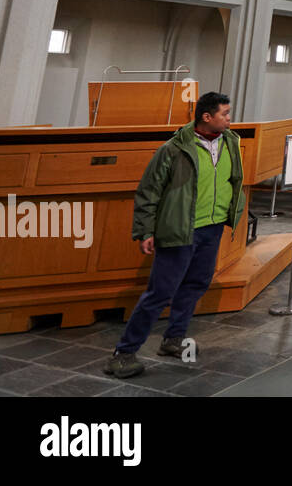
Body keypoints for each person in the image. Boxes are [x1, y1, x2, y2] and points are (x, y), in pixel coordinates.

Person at [105, 92, 245, 379]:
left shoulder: (231, 142)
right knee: (161, 292)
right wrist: (145, 230)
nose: (230, 118)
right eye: (225, 113)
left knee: (196, 284)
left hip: (213, 226)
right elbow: (149, 191)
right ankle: (124, 352)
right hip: (181, 228)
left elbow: (233, 180)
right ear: (207, 117)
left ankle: (173, 339)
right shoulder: (173, 149)